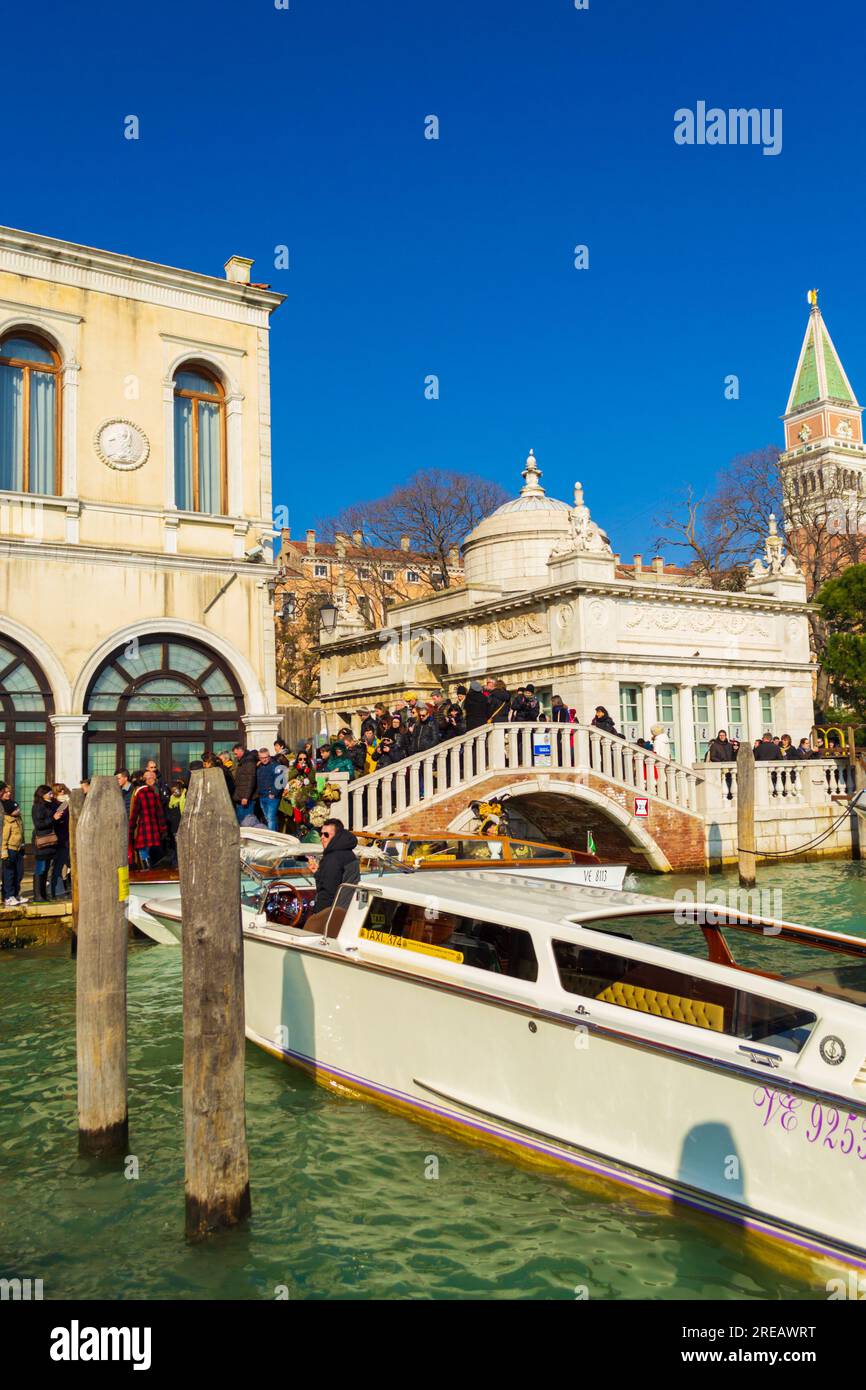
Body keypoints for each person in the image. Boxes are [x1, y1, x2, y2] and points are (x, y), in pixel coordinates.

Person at [304, 819, 360, 930]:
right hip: (346, 912)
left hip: (332, 916)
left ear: (336, 836)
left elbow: (327, 892)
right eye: (321, 834)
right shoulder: (349, 853)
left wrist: (317, 915)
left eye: (326, 834)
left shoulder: (333, 858)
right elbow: (337, 880)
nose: (322, 837)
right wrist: (317, 872)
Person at [129, 769, 167, 869]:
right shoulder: (154, 794)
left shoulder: (138, 795)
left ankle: (147, 870)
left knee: (142, 851)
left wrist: (131, 829)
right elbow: (160, 814)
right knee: (150, 851)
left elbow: (134, 815)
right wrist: (163, 829)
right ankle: (151, 870)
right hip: (154, 829)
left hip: (143, 828)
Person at [32, 784, 61, 901]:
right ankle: (37, 895)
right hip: (42, 843)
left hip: (50, 842)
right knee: (40, 868)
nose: (51, 795)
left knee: (46, 869)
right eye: (49, 793)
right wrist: (53, 818)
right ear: (42, 795)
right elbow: (39, 825)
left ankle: (43, 894)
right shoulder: (38, 807)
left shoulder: (50, 805)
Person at [0, 784, 27, 905]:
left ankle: (16, 894)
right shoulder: (8, 822)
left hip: (18, 848)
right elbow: (4, 838)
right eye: (5, 792)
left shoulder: (18, 820)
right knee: (9, 873)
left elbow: (21, 834)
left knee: (19, 872)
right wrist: (4, 851)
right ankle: (8, 896)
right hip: (10, 849)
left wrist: (23, 846)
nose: (19, 811)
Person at [51, 783, 72, 899]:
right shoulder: (56, 804)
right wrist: (66, 803)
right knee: (58, 864)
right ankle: (57, 888)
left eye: (63, 790)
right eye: (59, 791)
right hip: (59, 838)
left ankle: (64, 887)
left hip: (68, 836)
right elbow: (58, 816)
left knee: (67, 863)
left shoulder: (69, 801)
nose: (62, 792)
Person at [232, 743, 259, 823]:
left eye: (236, 754)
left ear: (241, 751)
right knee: (241, 821)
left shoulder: (249, 761)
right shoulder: (243, 761)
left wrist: (246, 797)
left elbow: (250, 780)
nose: (235, 756)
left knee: (247, 821)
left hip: (246, 798)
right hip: (240, 796)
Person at [255, 748, 282, 831]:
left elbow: (280, 780)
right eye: (262, 758)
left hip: (272, 796)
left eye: (266, 757)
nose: (264, 759)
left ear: (269, 756)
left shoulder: (276, 766)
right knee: (267, 818)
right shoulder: (259, 766)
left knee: (271, 818)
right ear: (259, 758)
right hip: (262, 795)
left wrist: (273, 793)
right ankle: (276, 835)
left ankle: (272, 837)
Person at [165, 780, 186, 866]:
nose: (175, 793)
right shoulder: (171, 799)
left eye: (176, 790)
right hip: (175, 827)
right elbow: (169, 812)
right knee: (177, 846)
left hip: (185, 825)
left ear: (181, 789)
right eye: (173, 791)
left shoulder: (186, 796)